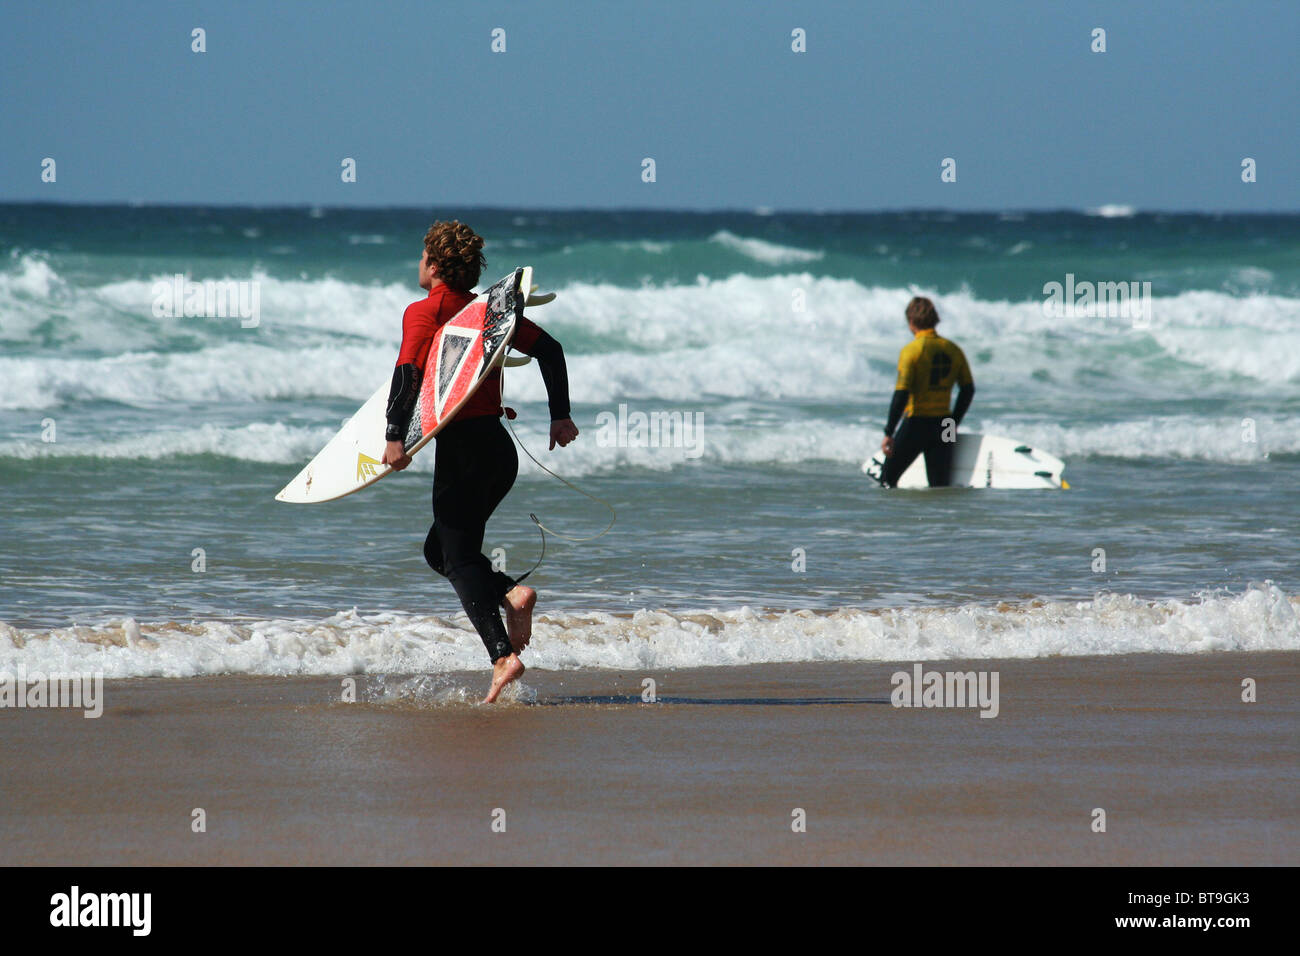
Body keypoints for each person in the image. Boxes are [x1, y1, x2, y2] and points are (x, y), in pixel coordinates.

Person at [381, 221, 579, 702]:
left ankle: (503, 656)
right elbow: (550, 350)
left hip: (463, 451)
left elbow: (407, 375)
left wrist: (393, 437)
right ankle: (511, 593)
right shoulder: (488, 314)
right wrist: (560, 417)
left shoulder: (421, 312)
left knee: (458, 556)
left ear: (432, 264)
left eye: (421, 256)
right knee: (441, 552)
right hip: (498, 452)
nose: (418, 264)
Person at [880, 297, 975, 488]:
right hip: (944, 424)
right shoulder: (954, 349)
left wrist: (889, 432)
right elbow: (968, 389)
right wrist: (953, 423)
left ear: (911, 322)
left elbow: (901, 394)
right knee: (940, 488)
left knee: (886, 482)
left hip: (916, 423)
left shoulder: (911, 351)